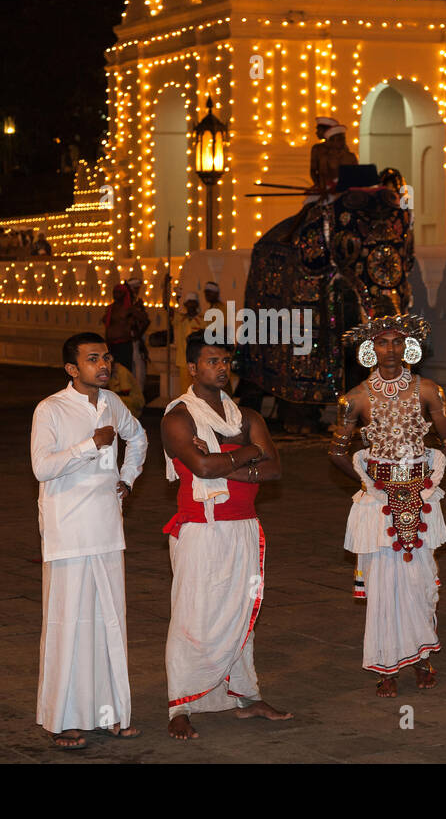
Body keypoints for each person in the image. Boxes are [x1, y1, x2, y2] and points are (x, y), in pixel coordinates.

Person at [161, 332, 291, 739]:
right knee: (192, 615)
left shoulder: (247, 416)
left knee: (241, 615)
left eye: (225, 362)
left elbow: (274, 470)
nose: (221, 368)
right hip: (201, 528)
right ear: (193, 368)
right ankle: (181, 703)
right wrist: (248, 453)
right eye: (212, 361)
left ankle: (246, 697)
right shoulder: (178, 417)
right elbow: (201, 468)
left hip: (245, 527)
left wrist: (226, 460)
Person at [328, 311, 446, 697]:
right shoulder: (355, 398)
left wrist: (429, 475)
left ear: (409, 346)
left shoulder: (428, 390)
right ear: (370, 349)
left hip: (420, 497)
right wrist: (371, 481)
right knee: (383, 584)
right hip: (379, 502)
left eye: (397, 341)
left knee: (419, 581)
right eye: (382, 342)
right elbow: (336, 452)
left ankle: (421, 658)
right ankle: (386, 665)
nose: (390, 349)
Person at [32, 332, 148, 749]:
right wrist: (90, 445)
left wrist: (127, 480)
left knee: (108, 622)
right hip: (67, 532)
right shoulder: (51, 409)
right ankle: (62, 720)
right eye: (93, 359)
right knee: (67, 625)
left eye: (107, 358)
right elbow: (42, 468)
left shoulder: (113, 403)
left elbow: (139, 438)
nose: (104, 365)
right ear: (71, 368)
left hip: (106, 528)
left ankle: (111, 713)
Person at [102, 283, 149, 375]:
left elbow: (145, 320)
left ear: (124, 294)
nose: (115, 294)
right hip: (110, 344)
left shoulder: (128, 309)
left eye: (119, 292)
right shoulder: (110, 308)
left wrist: (138, 335)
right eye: (114, 292)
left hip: (123, 345)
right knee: (111, 372)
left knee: (124, 373)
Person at [172, 292, 207, 395]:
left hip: (199, 361)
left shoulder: (203, 320)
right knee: (185, 391)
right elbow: (167, 308)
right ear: (185, 305)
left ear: (197, 304)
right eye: (189, 303)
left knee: (199, 390)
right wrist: (167, 288)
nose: (191, 305)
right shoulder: (179, 319)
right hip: (183, 361)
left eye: (193, 303)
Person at [313, 125, 358, 192]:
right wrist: (323, 189)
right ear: (331, 142)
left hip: (348, 189)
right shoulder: (325, 158)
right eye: (338, 140)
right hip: (329, 189)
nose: (342, 142)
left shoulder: (351, 156)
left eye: (343, 139)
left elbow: (356, 175)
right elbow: (322, 176)